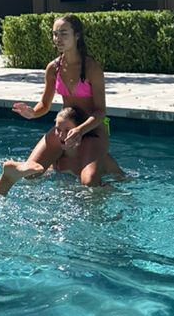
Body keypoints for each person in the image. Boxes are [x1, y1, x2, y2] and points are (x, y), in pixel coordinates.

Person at [9, 14, 124, 188]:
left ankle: (102, 163)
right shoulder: (53, 68)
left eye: (63, 33)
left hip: (92, 128)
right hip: (65, 128)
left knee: (89, 182)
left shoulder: (92, 68)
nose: (58, 38)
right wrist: (32, 113)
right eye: (55, 34)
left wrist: (80, 130)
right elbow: (45, 105)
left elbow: (100, 112)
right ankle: (69, 161)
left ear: (77, 35)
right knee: (30, 173)